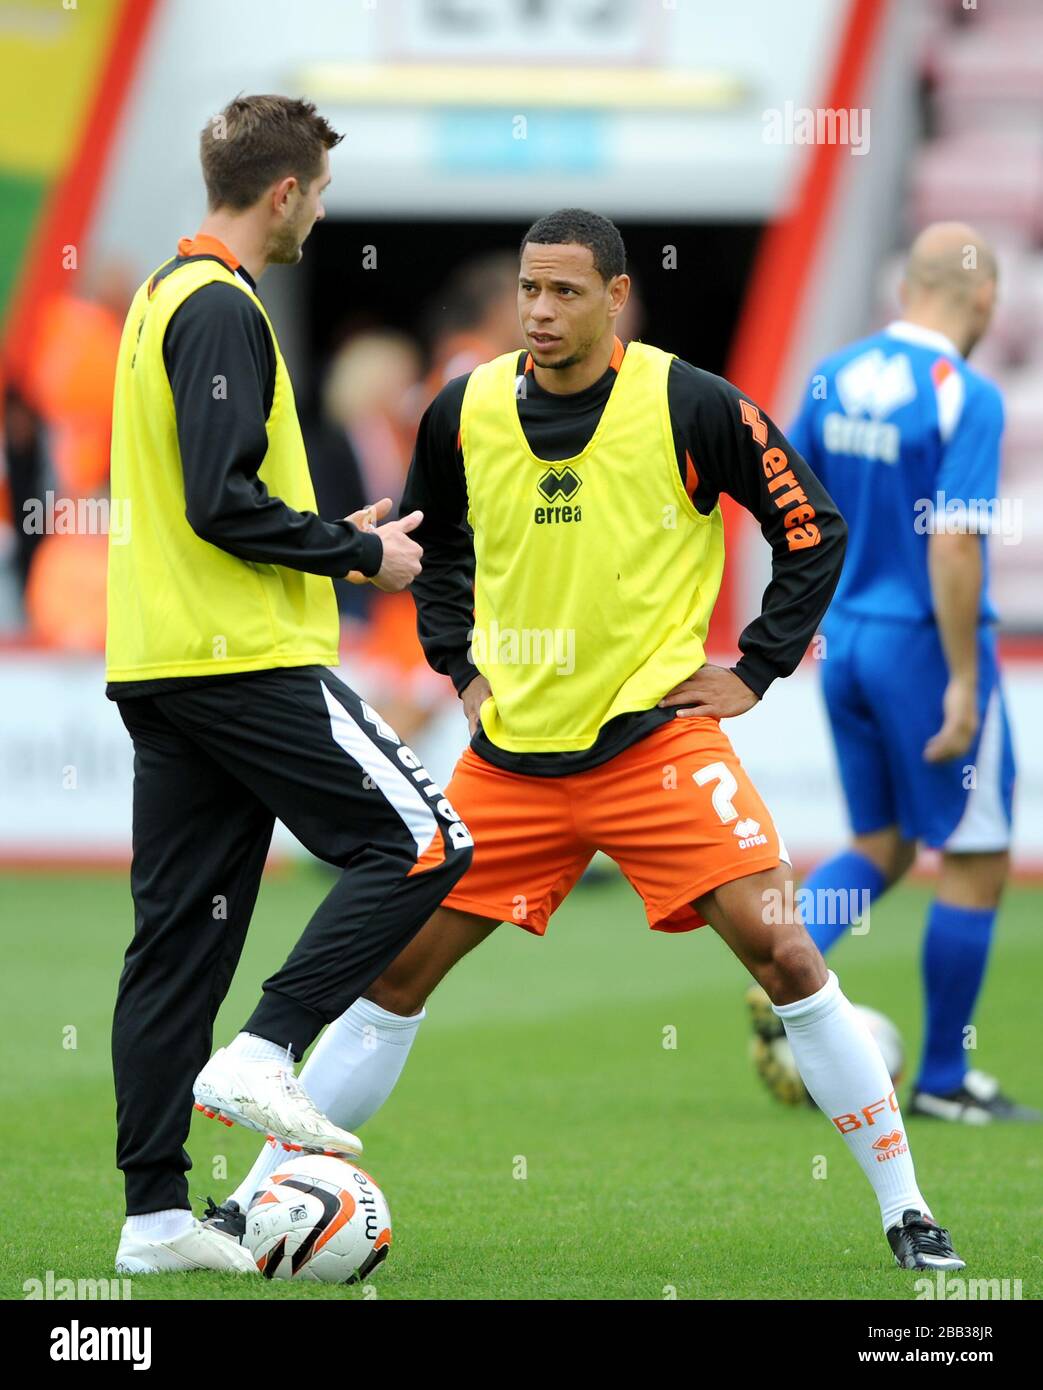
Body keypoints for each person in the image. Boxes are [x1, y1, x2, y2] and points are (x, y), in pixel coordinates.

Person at [215, 209, 965, 1271]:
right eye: (528, 288)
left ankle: (905, 1209)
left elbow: (810, 527)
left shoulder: (690, 402)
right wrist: (460, 668)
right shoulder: (464, 408)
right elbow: (430, 546)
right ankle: (249, 1204)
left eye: (564, 291)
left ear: (615, 298)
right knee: (390, 978)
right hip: (509, 765)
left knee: (788, 950)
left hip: (658, 749)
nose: (538, 310)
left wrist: (754, 665)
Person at [105, 94, 473, 1275]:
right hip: (238, 658)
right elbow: (219, 500)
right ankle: (266, 1049)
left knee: (175, 942)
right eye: (318, 192)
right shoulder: (222, 305)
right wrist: (365, 554)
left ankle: (156, 1219)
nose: (320, 212)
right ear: (285, 193)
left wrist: (324, 528)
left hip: (162, 660)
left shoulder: (157, 295)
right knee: (424, 839)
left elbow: (202, 498)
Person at [782, 222, 1037, 1125]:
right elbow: (956, 542)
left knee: (883, 839)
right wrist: (965, 680)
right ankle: (941, 1077)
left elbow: (793, 504)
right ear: (981, 300)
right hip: (923, 648)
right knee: (974, 856)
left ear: (906, 289)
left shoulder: (832, 374)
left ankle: (783, 970)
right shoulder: (963, 393)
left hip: (843, 640)